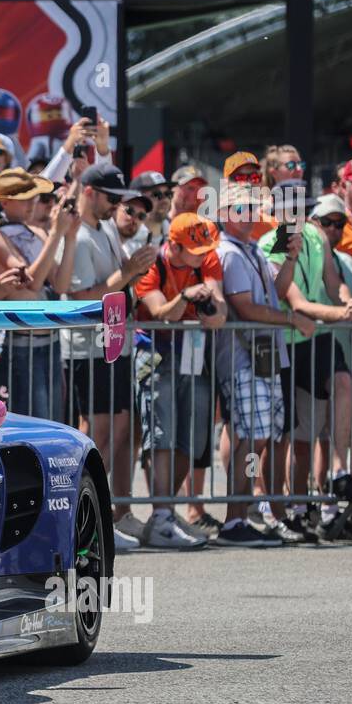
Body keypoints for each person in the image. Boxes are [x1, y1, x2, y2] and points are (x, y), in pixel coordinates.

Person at [259, 192, 352, 541]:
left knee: (342, 381)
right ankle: (278, 508)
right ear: (276, 211)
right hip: (285, 339)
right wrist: (344, 315)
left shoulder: (316, 235)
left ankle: (340, 471)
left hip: (315, 335)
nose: (299, 216)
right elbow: (296, 301)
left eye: (303, 210)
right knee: (287, 435)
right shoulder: (270, 241)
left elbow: (332, 282)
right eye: (291, 210)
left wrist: (348, 301)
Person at [213, 186, 316, 546]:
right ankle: (233, 520)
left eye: (253, 208)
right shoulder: (228, 252)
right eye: (241, 208)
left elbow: (276, 290)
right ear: (225, 212)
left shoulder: (253, 248)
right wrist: (291, 320)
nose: (250, 214)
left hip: (263, 359)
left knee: (257, 440)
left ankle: (241, 516)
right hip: (244, 359)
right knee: (250, 439)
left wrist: (289, 259)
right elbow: (246, 308)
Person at [63, 165, 156, 546]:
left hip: (110, 345)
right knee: (96, 435)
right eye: (112, 198)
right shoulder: (82, 236)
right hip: (87, 348)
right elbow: (82, 296)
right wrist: (129, 272)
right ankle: (85, 522)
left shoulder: (102, 229)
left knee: (115, 431)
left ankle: (99, 517)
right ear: (89, 192)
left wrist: (131, 272)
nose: (118, 205)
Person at [134, 213, 227, 548]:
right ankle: (160, 516)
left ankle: (166, 513)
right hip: (155, 356)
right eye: (195, 248)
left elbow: (219, 317)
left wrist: (209, 302)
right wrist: (187, 296)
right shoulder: (152, 266)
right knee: (162, 436)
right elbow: (160, 313)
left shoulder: (208, 260)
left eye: (205, 247)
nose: (203, 254)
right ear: (173, 245)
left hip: (194, 356)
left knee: (193, 438)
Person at [0, 168, 80, 420]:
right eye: (25, 197)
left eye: (33, 196)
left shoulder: (37, 232)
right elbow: (33, 282)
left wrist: (69, 237)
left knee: (54, 420)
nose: (32, 202)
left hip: (50, 341)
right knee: (35, 419)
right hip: (22, 343)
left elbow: (60, 284)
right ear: (4, 202)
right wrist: (57, 234)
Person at [130, 171, 172, 239]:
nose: (165, 200)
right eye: (157, 195)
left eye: (168, 194)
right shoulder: (125, 238)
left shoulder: (176, 235)